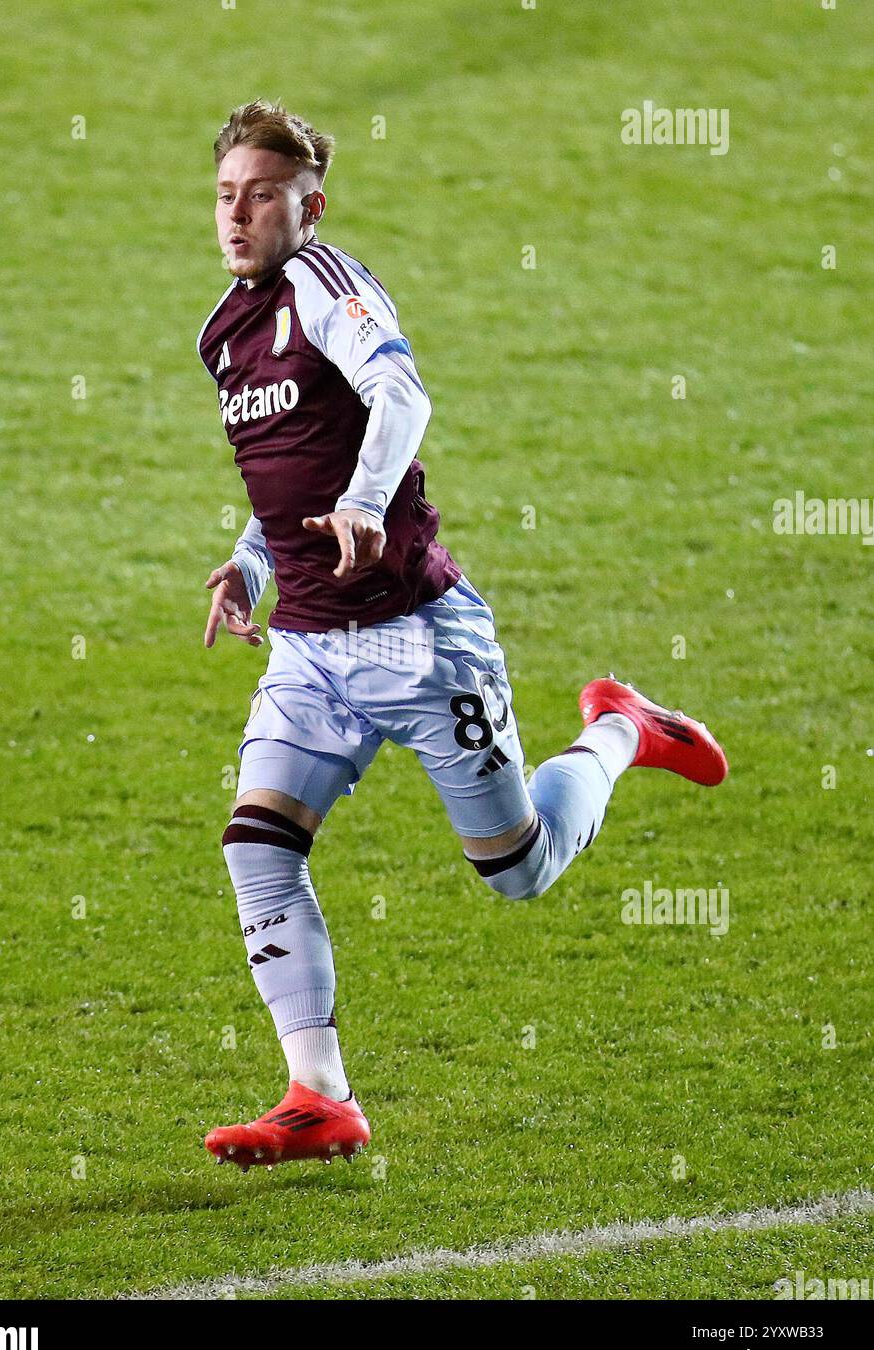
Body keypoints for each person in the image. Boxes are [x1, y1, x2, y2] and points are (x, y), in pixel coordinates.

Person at [196, 100, 728, 1171]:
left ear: (312, 205)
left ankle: (621, 727)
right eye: (225, 194)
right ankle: (319, 1096)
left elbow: (400, 390)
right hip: (308, 648)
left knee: (519, 869)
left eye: (263, 194)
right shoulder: (222, 334)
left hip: (416, 640)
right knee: (257, 844)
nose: (239, 214)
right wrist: (250, 564)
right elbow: (282, 479)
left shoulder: (329, 290)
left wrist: (368, 498)